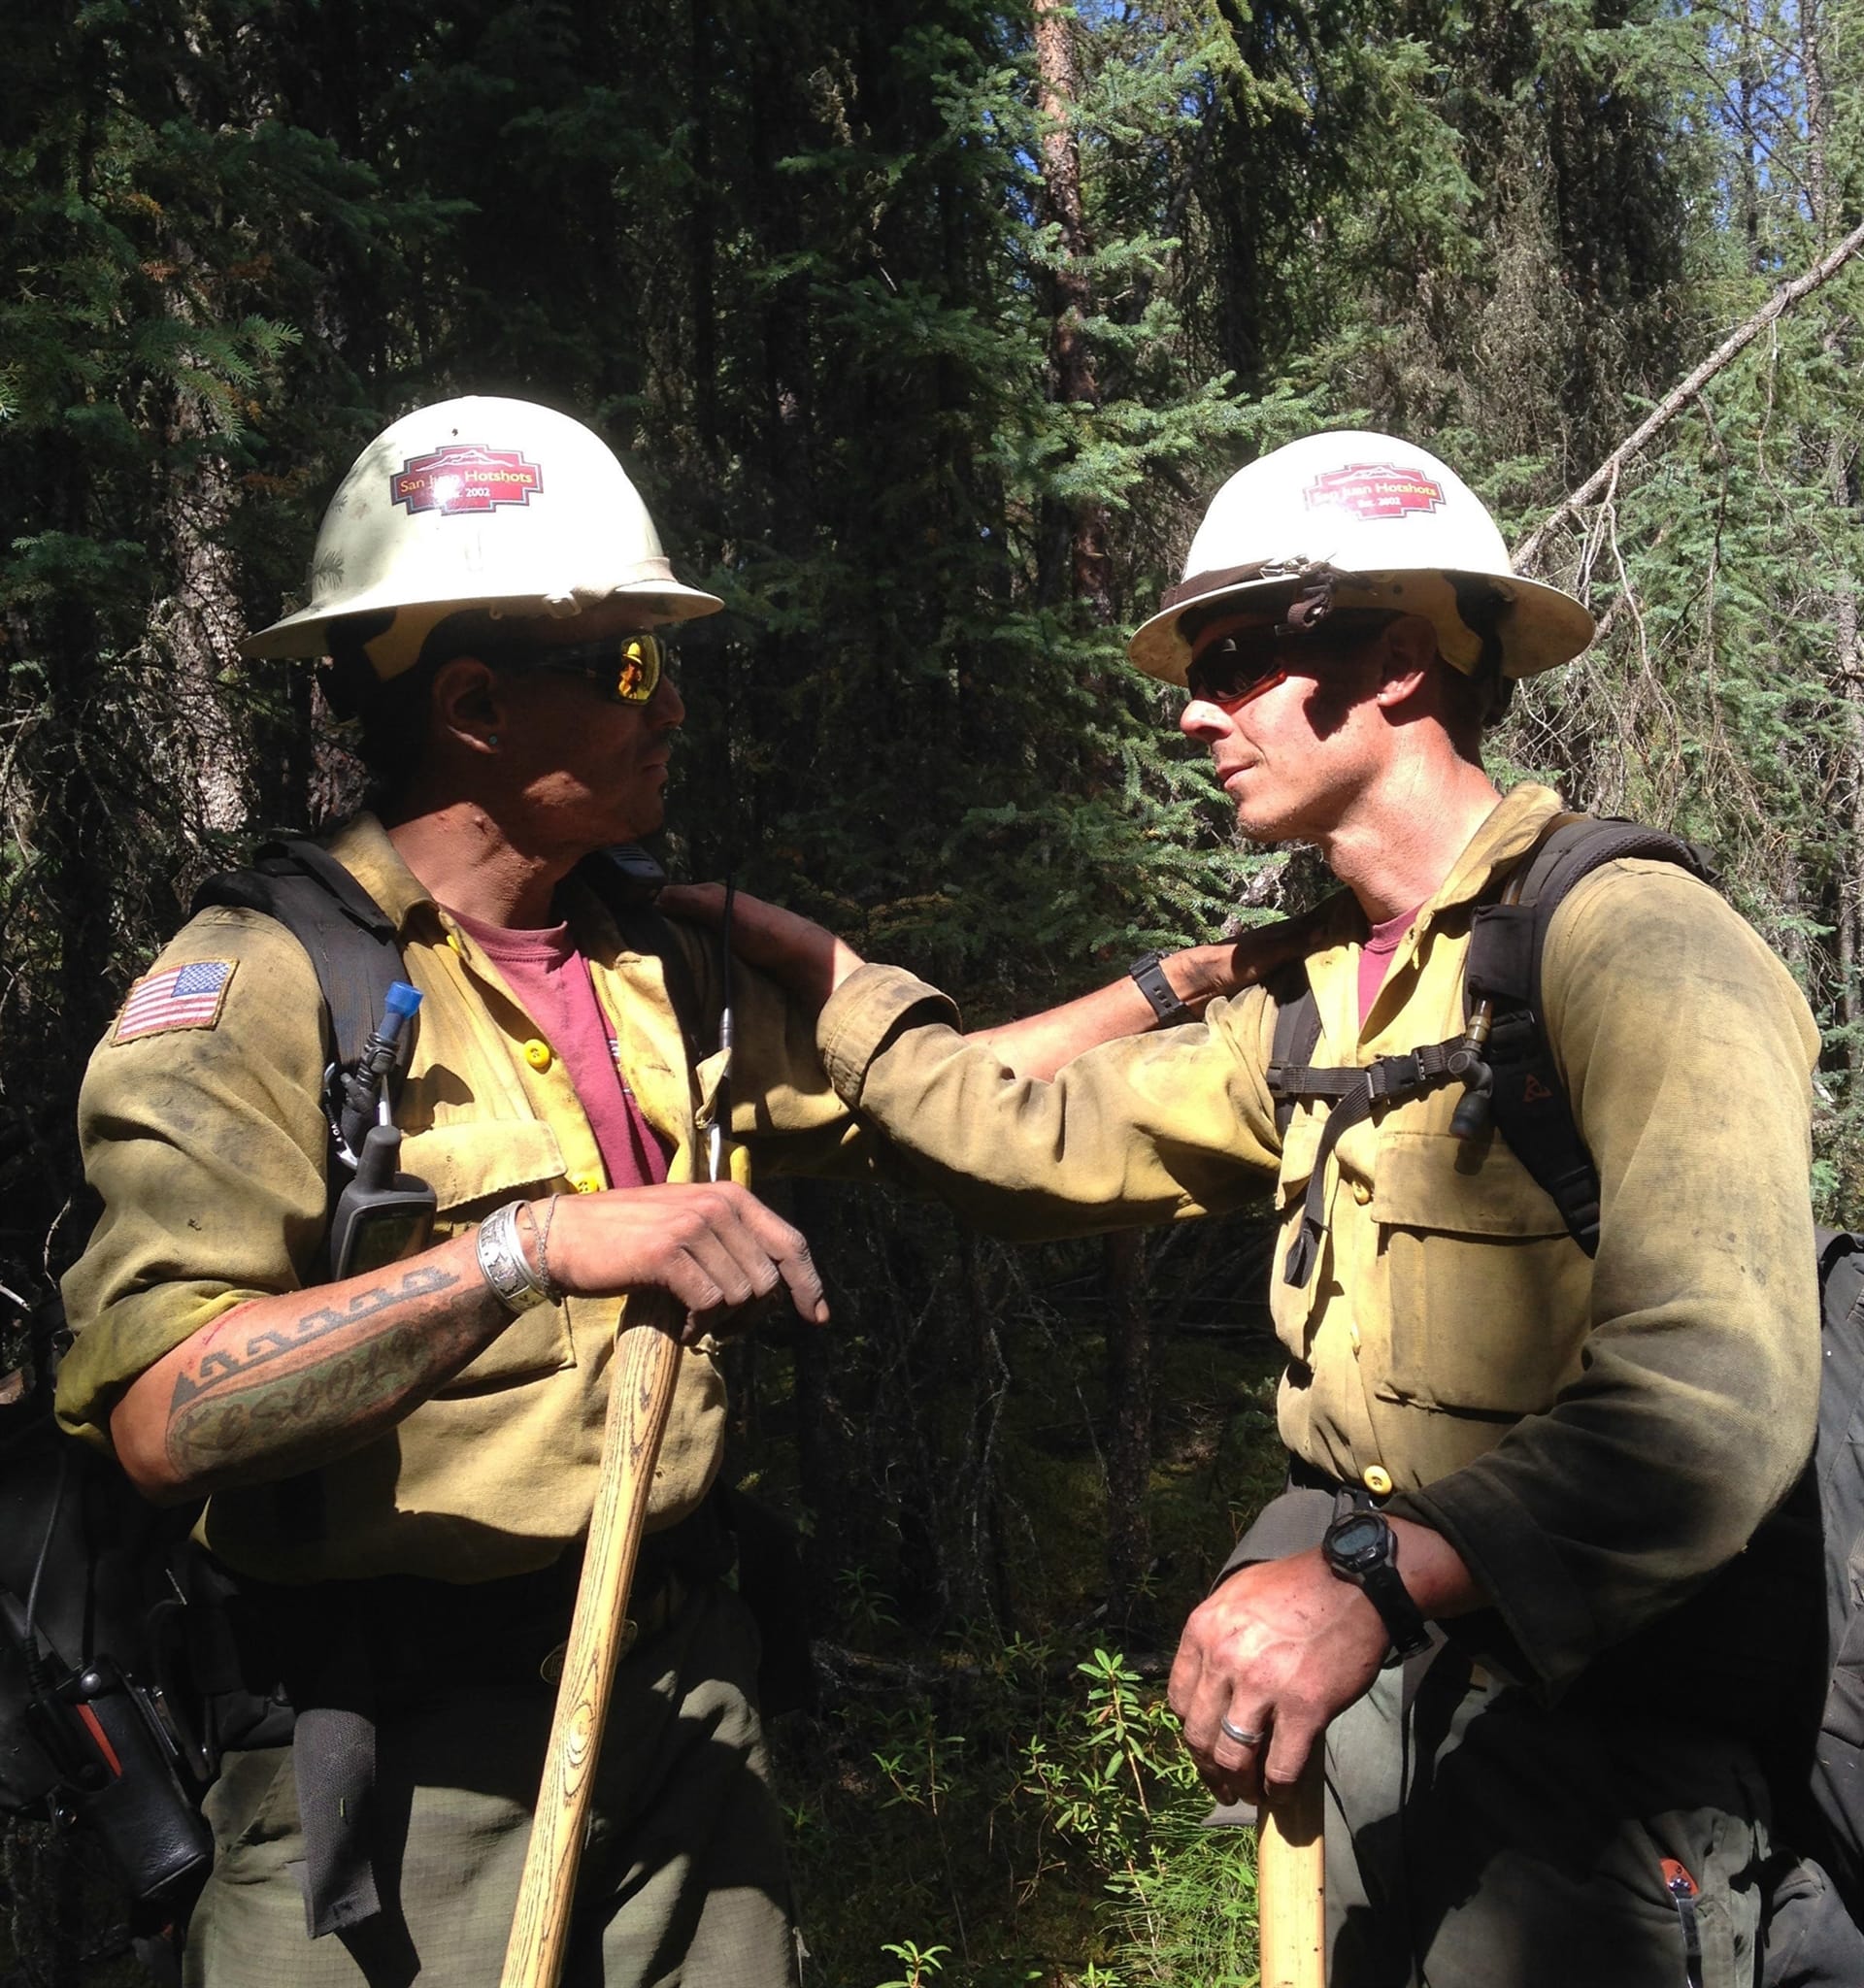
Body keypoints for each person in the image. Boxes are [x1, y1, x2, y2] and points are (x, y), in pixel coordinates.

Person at [51, 394, 1297, 1988]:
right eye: (630, 666)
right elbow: (163, 1413)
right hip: (394, 1762)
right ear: (479, 703)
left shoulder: (656, 957)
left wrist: (1192, 977)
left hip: (677, 1692)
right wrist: (525, 1252)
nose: (672, 709)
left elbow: (959, 1092)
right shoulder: (258, 989)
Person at [695, 430, 1825, 1986]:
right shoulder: (1312, 1000)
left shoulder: (1633, 942)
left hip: (1612, 1795)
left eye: (1236, 658)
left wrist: (1376, 1578)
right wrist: (829, 980)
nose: (1192, 710)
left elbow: (1715, 1399)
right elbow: (1020, 1141)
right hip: (1385, 1740)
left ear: (1405, 665)